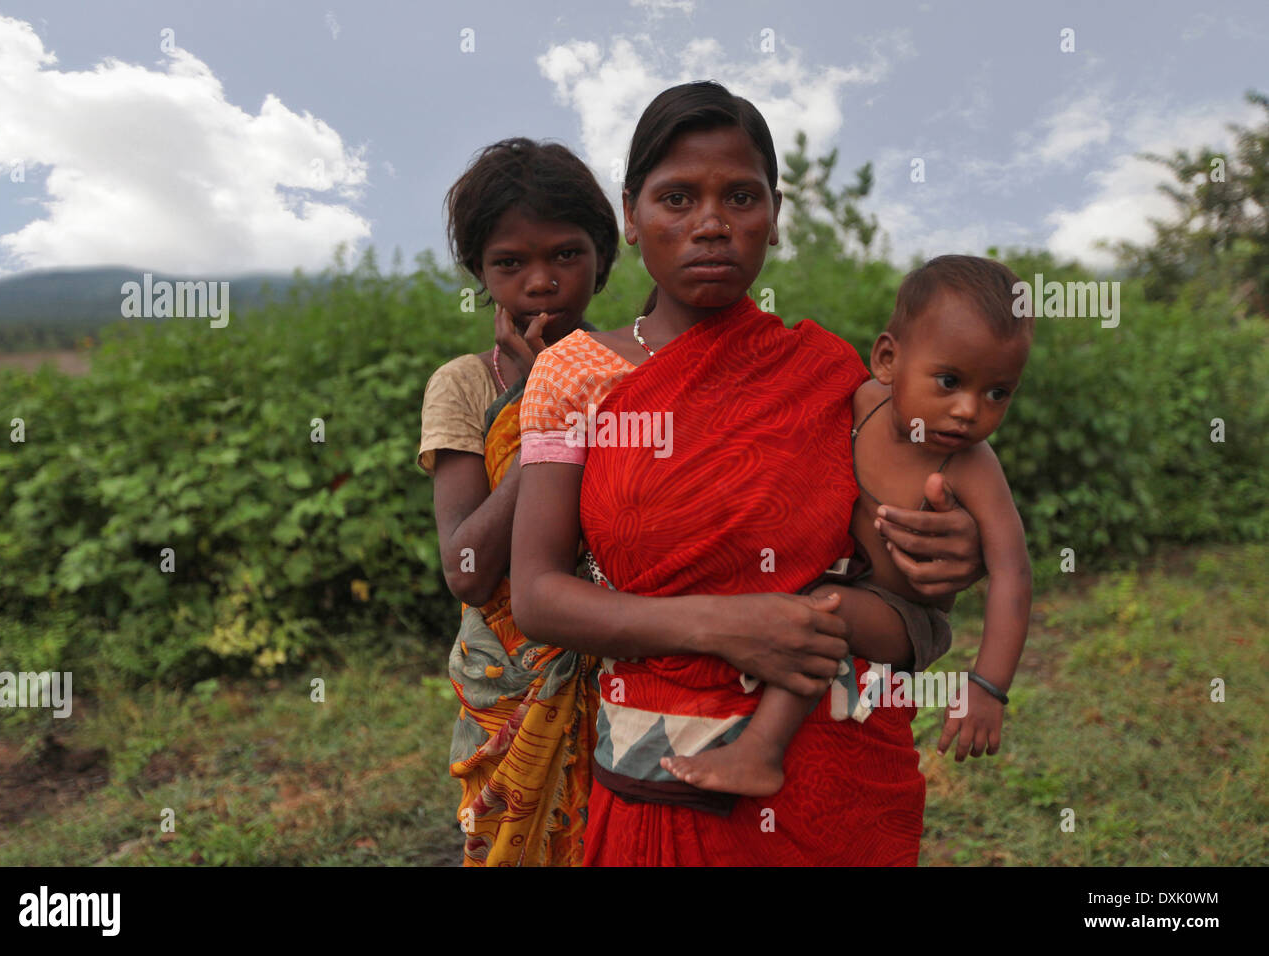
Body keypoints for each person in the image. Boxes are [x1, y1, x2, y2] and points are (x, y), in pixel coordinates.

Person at [510, 81, 987, 865]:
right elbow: (538, 595)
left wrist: (948, 555)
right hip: (663, 773)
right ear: (631, 216)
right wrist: (720, 625)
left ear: (774, 213)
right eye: (676, 198)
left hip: (833, 774)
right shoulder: (574, 376)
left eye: (740, 197)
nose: (710, 225)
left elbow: (897, 574)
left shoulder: (830, 374)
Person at [660, 254, 1035, 797]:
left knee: (820, 613)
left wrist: (987, 687)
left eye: (998, 392)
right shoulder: (857, 403)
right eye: (949, 381)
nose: (969, 410)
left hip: (903, 615)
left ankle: (759, 752)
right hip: (834, 568)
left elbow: (1013, 574)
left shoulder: (972, 465)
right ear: (887, 359)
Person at [416, 137, 618, 865]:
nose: (541, 282)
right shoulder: (466, 386)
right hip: (511, 685)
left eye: (565, 255)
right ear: (480, 274)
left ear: (603, 254)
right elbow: (468, 569)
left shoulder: (638, 373)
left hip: (625, 668)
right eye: (510, 263)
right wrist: (545, 408)